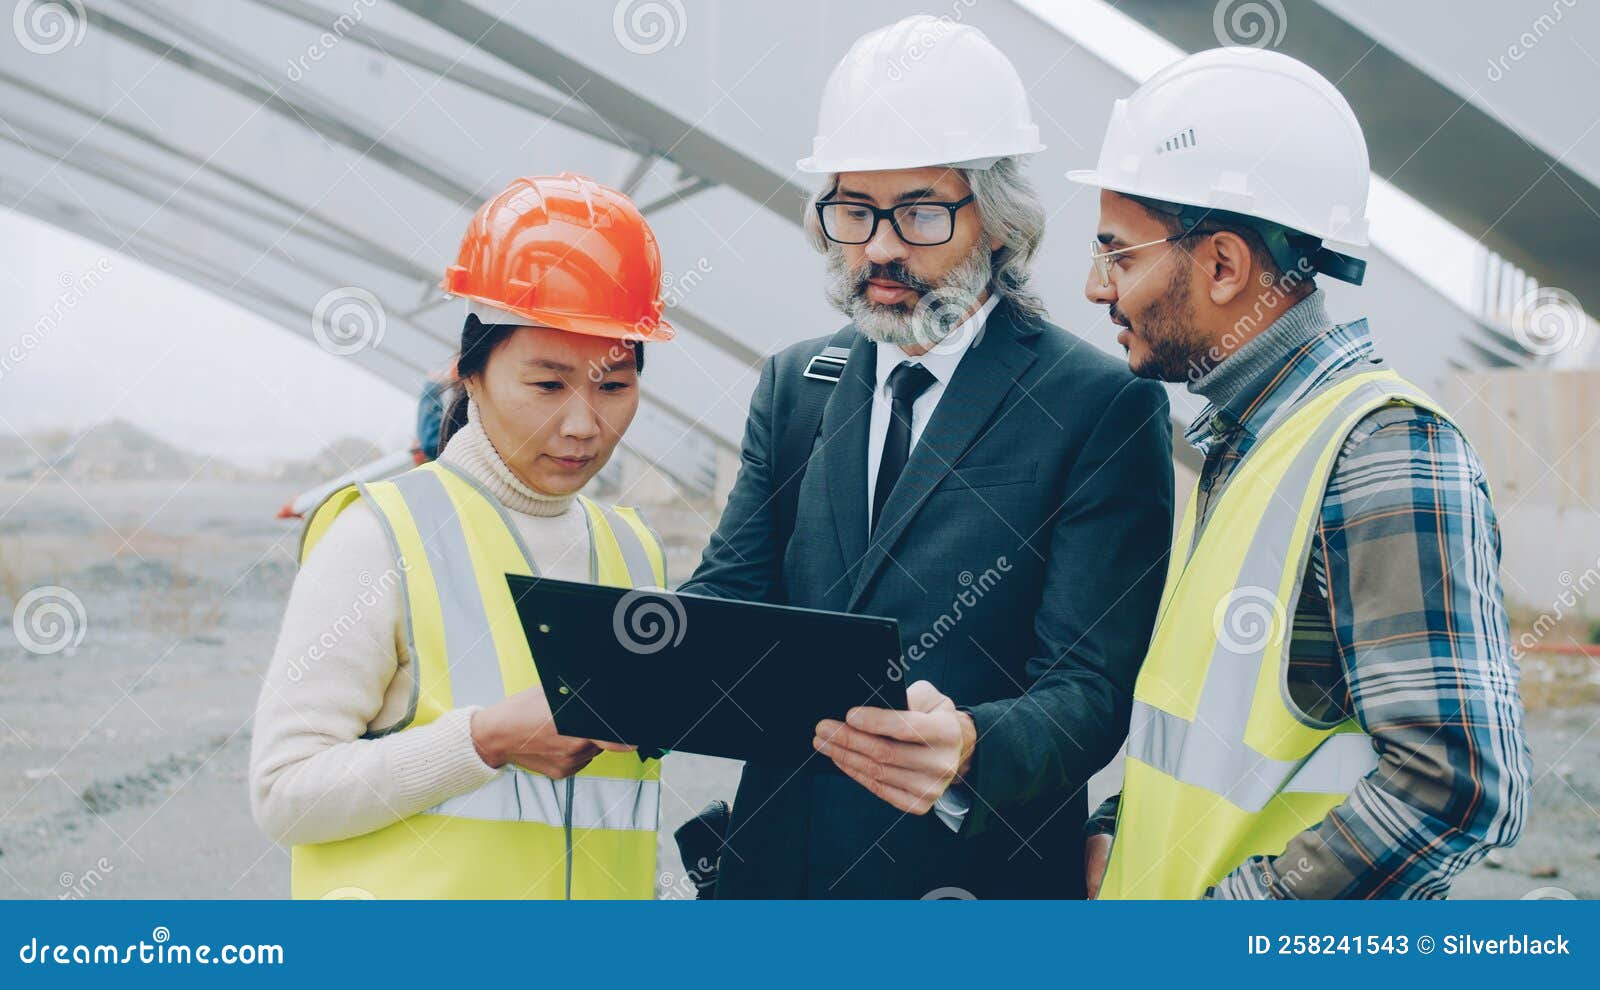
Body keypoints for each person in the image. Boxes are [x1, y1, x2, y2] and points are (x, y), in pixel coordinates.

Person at [679, 16, 1174, 899]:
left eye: (917, 213)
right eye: (853, 210)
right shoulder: (799, 385)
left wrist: (973, 746)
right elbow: (730, 598)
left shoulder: (1098, 405)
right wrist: (625, 661)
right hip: (773, 874)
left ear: (997, 220)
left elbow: (1090, 690)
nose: (877, 247)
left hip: (970, 882)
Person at [1072, 48, 1531, 899]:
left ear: (1222, 266)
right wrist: (1120, 831)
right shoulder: (1245, 445)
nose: (1096, 287)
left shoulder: (1382, 451)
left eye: (1119, 255)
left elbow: (1457, 786)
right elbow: (1221, 739)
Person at [249, 173, 676, 899]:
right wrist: (484, 741)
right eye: (547, 385)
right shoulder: (379, 537)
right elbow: (286, 794)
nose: (583, 425)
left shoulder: (634, 550)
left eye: (613, 386)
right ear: (469, 376)